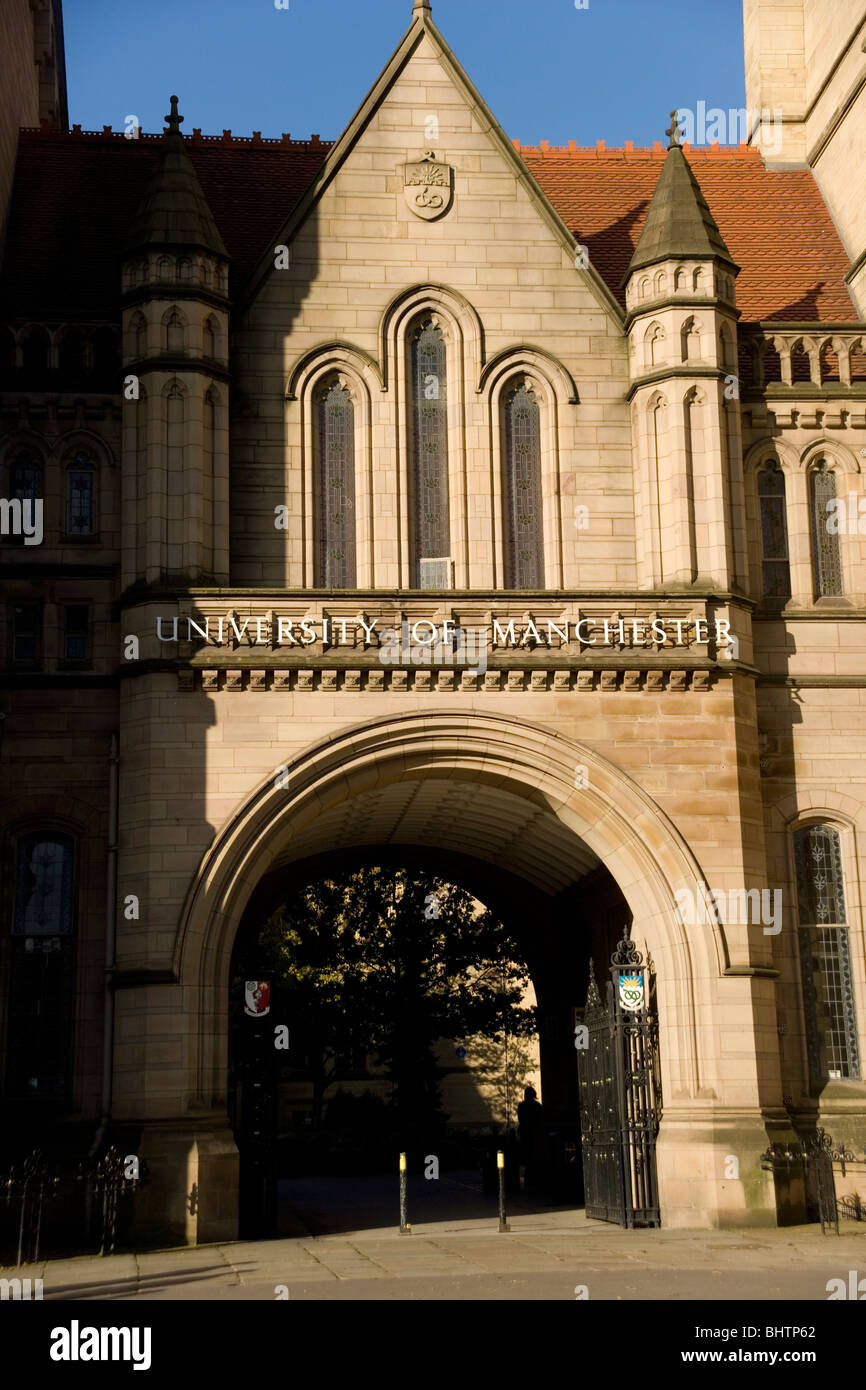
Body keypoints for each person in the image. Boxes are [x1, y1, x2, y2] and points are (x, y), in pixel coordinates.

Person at [517, 1085, 544, 1191]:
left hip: (525, 1134)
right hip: (535, 1135)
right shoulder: (538, 1106)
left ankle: (528, 1178)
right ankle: (534, 1179)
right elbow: (541, 1120)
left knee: (527, 1158)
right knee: (534, 1156)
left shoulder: (522, 1106)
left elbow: (520, 1119)